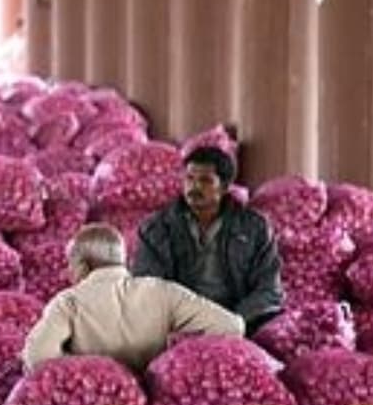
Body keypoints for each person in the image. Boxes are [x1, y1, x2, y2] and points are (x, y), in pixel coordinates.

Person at [24, 224, 244, 373]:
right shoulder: (162, 291)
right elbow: (231, 325)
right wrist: (175, 360)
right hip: (159, 404)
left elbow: (37, 357)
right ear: (123, 260)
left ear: (83, 265)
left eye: (70, 265)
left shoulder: (68, 302)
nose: (69, 272)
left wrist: (92, 371)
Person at [131, 146, 284, 329]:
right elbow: (147, 287)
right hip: (180, 324)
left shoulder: (254, 228)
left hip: (239, 321)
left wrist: (232, 321)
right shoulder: (156, 228)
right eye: (189, 178)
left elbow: (269, 289)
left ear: (225, 187)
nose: (194, 187)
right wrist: (188, 321)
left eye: (205, 181)